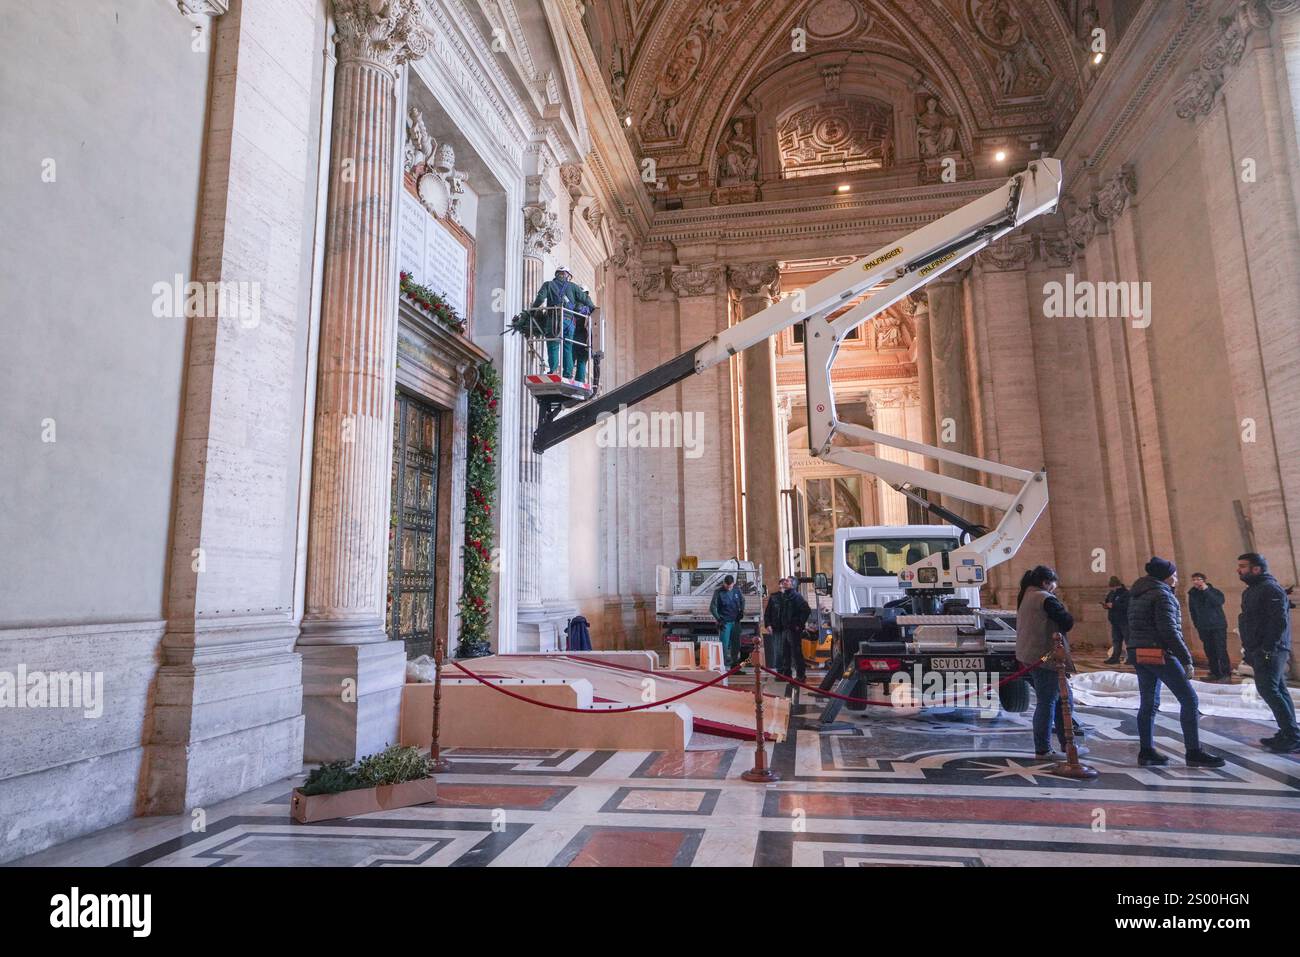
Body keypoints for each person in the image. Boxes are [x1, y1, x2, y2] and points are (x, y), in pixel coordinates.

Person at [1127, 557, 1224, 767]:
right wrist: (1186, 658)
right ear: (1166, 576)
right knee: (1189, 700)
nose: (1176, 578)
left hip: (1138, 651)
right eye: (1174, 574)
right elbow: (1169, 630)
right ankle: (1194, 751)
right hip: (1159, 652)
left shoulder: (1137, 593)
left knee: (1148, 703)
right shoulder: (1162, 594)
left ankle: (1146, 751)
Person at [1015, 565, 1085, 759]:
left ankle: (1067, 744)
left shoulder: (1026, 594)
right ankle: (1043, 749)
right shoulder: (1045, 598)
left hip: (1034, 654)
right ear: (1046, 582)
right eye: (1054, 583)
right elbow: (1067, 622)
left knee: (1065, 700)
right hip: (1045, 657)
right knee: (1048, 702)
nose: (1055, 587)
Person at [1237, 552, 1297, 752]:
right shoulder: (1253, 589)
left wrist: (1267, 648)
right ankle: (1289, 732)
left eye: (1243, 566)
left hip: (1271, 649)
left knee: (1268, 689)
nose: (1239, 570)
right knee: (1278, 689)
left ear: (1256, 569)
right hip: (1259, 648)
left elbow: (1278, 622)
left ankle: (1292, 735)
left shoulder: (1270, 589)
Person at [530, 266, 586, 376]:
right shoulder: (573, 287)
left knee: (553, 344)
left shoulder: (548, 284)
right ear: (568, 276)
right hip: (569, 322)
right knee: (568, 347)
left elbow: (541, 298)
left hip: (554, 319)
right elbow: (583, 302)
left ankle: (554, 371)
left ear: (557, 274)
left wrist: (533, 309)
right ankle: (568, 374)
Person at [765, 578, 812, 683]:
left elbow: (806, 610)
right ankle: (787, 675)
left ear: (793, 584)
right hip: (785, 629)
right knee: (785, 653)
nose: (785, 582)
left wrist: (798, 624)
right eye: (785, 581)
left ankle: (801, 676)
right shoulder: (785, 596)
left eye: (788, 581)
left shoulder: (796, 596)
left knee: (796, 653)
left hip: (793, 630)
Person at [1188, 572, 1231, 682]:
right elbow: (1193, 611)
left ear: (1204, 580)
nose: (1196, 581)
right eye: (1194, 579)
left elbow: (1218, 602)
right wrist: (1197, 625)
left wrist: (1206, 590)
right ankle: (1214, 672)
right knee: (1209, 651)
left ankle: (1226, 674)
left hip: (1218, 625)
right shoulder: (1192, 594)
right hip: (1203, 627)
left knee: (1221, 650)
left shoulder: (1214, 591)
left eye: (1198, 579)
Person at [709, 574, 746, 670]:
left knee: (736, 644)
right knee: (724, 645)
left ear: (733, 584)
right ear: (724, 583)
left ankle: (735, 665)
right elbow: (712, 607)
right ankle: (724, 666)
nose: (729, 588)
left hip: (736, 622)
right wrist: (719, 619)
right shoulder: (718, 592)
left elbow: (743, 600)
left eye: (730, 586)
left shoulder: (737, 590)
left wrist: (742, 611)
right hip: (725, 623)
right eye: (727, 586)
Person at [1102, 575, 1130, 665]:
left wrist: (1113, 605)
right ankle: (1115, 658)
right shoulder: (1111, 593)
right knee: (1116, 640)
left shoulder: (1126, 593)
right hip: (1114, 620)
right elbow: (1107, 601)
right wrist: (1106, 605)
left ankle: (1131, 658)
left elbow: (1127, 606)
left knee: (1128, 640)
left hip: (1124, 620)